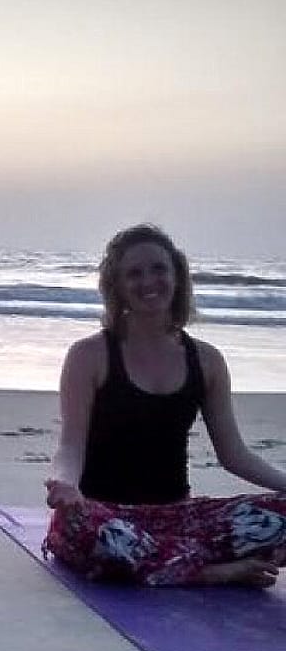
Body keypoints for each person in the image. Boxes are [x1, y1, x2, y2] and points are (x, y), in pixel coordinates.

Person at [44, 224, 286, 587]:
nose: (148, 282)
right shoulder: (89, 355)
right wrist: (65, 485)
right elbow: (71, 445)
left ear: (177, 276)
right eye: (134, 273)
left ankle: (172, 560)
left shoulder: (206, 360)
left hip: (176, 516)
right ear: (118, 286)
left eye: (158, 269)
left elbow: (233, 453)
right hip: (103, 514)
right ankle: (207, 572)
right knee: (93, 534)